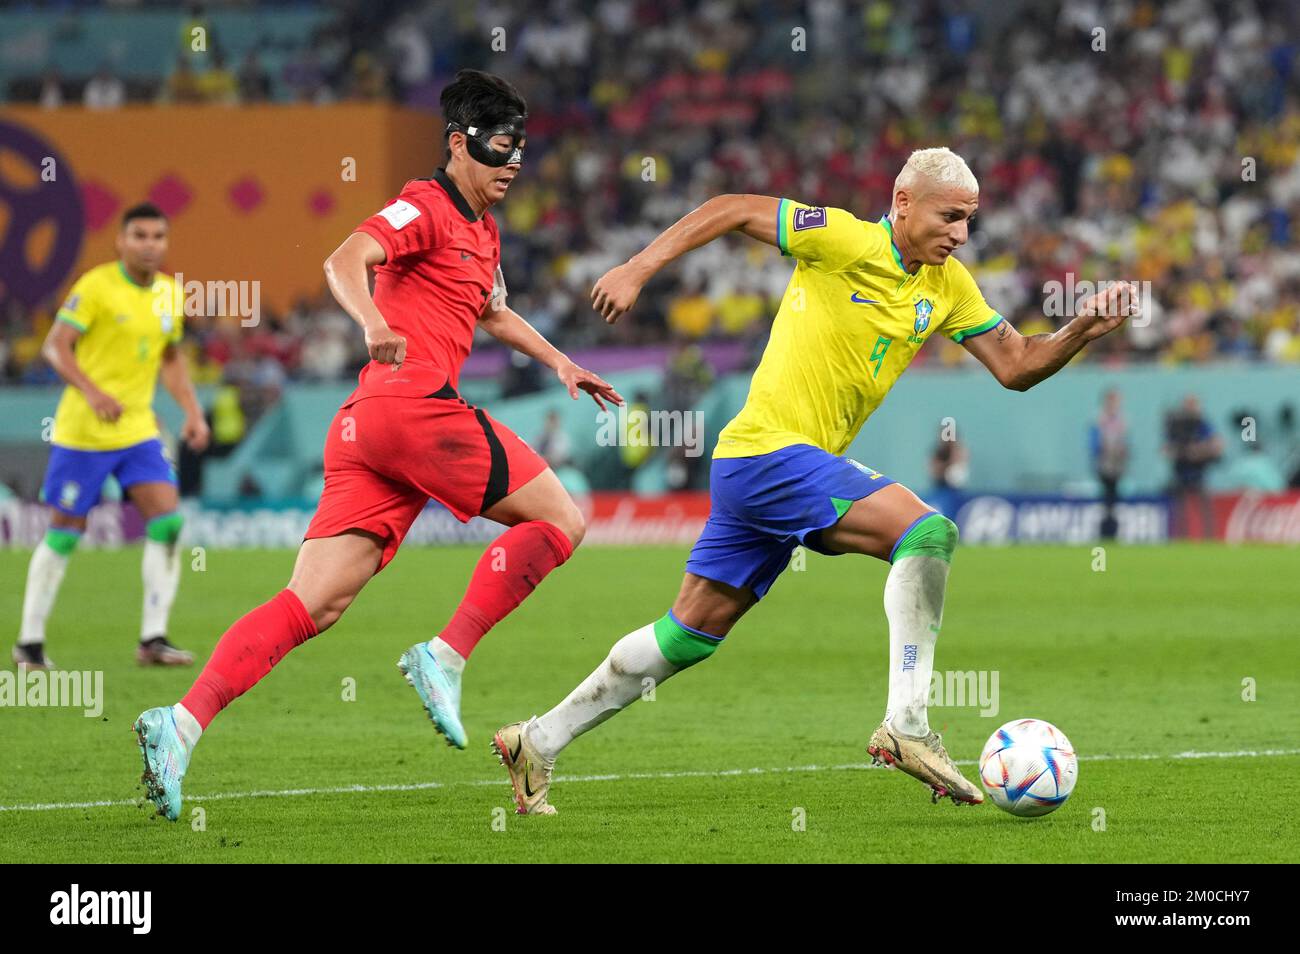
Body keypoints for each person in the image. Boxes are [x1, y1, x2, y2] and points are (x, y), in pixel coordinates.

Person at [491, 147, 1138, 814]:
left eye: (970, 220)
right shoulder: (843, 239)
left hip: (762, 470)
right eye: (950, 217)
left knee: (687, 634)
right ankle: (908, 724)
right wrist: (637, 267)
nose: (961, 234)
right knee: (927, 531)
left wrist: (1082, 327)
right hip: (772, 454)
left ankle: (537, 740)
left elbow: (1017, 363)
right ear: (904, 202)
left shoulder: (948, 285)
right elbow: (733, 209)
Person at [132, 69, 621, 821]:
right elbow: (342, 260)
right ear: (458, 144)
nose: (511, 163)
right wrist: (370, 322)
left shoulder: (483, 232)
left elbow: (491, 313)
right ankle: (446, 654)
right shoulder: (422, 204)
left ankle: (180, 724)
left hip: (368, 433)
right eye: (498, 147)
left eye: (519, 149)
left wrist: (559, 361)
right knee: (560, 521)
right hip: (412, 408)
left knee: (313, 604)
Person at [14, 203, 209, 671]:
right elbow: (54, 346)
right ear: (120, 241)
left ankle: (153, 639)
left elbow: (170, 358)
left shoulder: (169, 293)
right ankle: (29, 644)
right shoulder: (96, 286)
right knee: (65, 531)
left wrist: (192, 411)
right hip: (83, 430)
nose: (149, 244)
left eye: (158, 236)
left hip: (138, 429)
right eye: (139, 235)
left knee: (167, 522)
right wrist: (93, 392)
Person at [1163, 394, 1223, 538]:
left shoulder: (1202, 424)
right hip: (1181, 473)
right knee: (1180, 510)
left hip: (1198, 473)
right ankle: (1180, 537)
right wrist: (1181, 452)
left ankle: (1209, 537)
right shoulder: (1176, 425)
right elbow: (1167, 449)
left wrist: (1198, 450)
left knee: (1204, 507)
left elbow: (1217, 444)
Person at [1090, 388, 1128, 540]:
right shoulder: (1099, 420)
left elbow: (1124, 443)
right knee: (1106, 500)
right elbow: (1094, 444)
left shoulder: (1121, 420)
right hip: (1104, 465)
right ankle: (1105, 531)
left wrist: (1122, 452)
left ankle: (1112, 532)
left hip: (1117, 466)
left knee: (1113, 500)